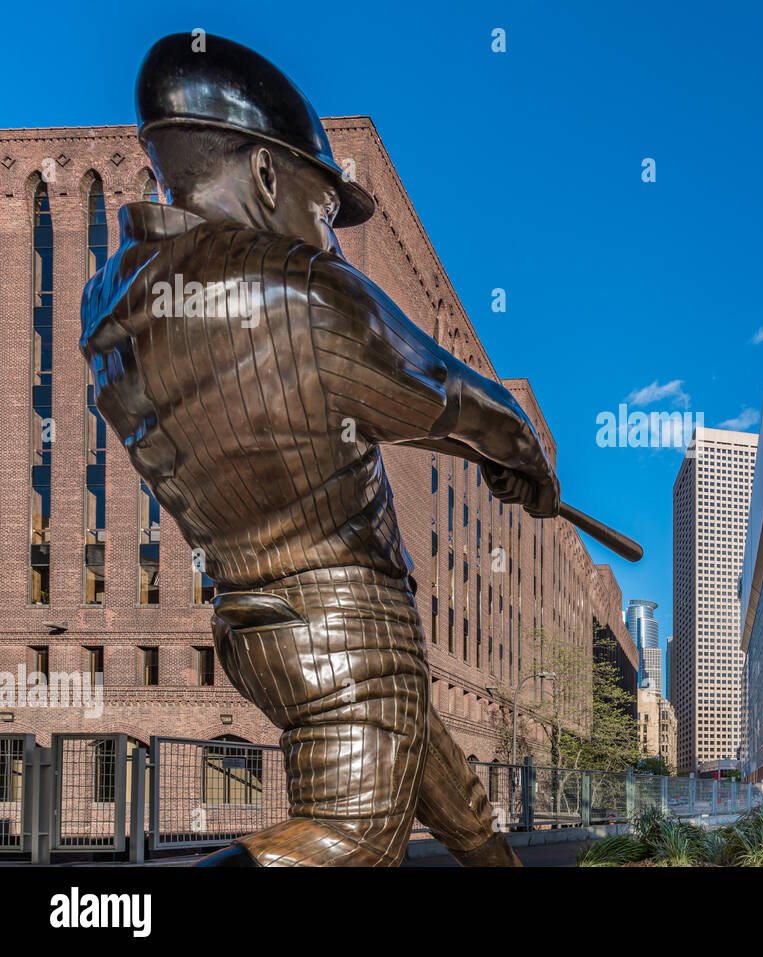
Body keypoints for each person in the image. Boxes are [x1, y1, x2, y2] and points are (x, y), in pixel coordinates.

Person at [82, 33, 560, 866]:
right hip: (346, 613)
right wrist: (525, 460)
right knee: (350, 838)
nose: (330, 234)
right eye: (325, 206)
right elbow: (447, 394)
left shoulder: (110, 309)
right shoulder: (300, 288)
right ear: (267, 175)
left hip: (253, 625)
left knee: (466, 815)